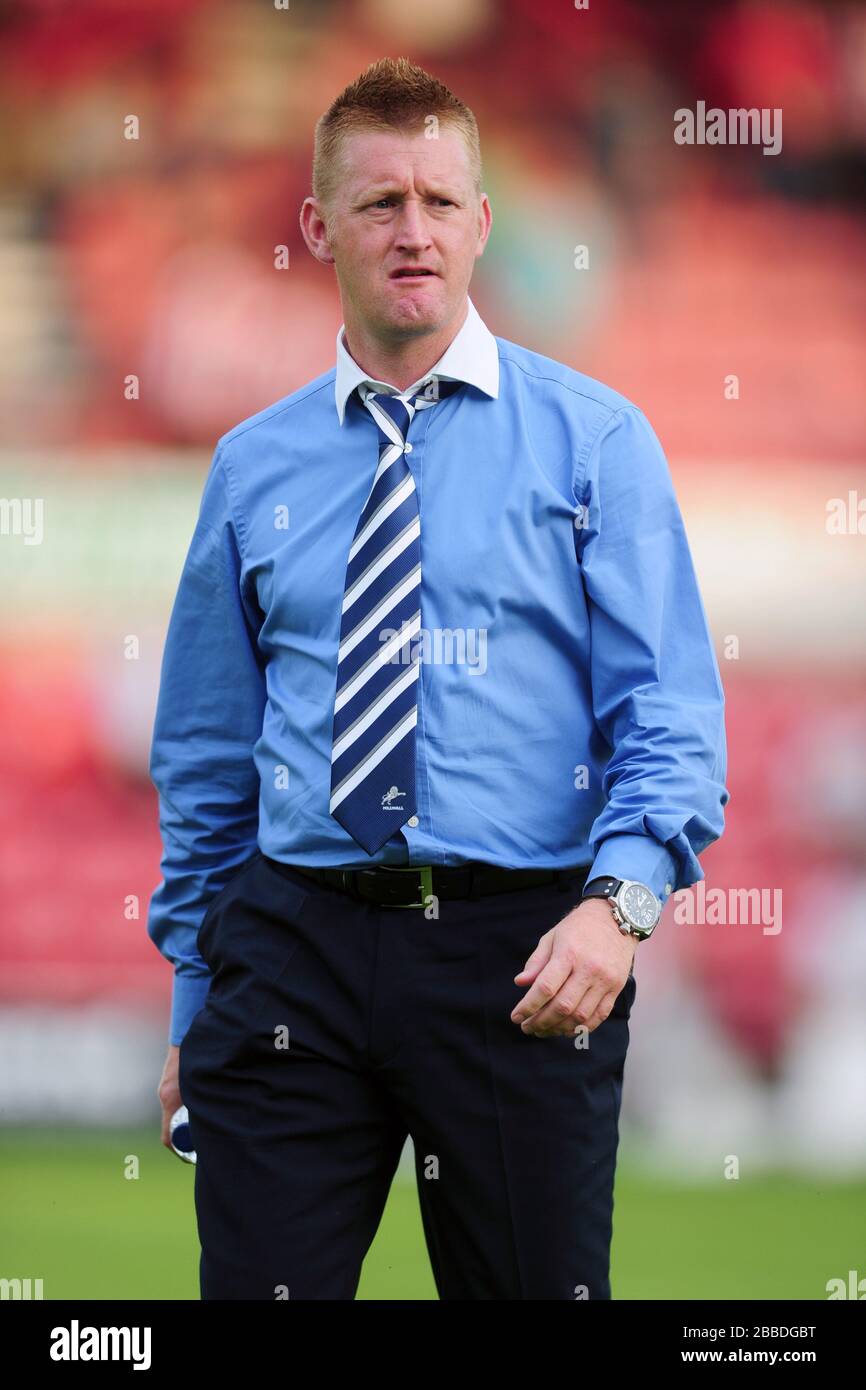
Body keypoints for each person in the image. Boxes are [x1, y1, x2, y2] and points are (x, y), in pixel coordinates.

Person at [147, 56, 728, 1300]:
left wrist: (617, 909)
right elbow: (205, 759)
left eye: (438, 201)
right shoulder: (254, 468)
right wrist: (201, 992)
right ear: (318, 227)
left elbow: (669, 716)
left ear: (481, 221)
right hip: (290, 949)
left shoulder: (596, 443)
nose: (412, 231)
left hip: (518, 952)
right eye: (377, 203)